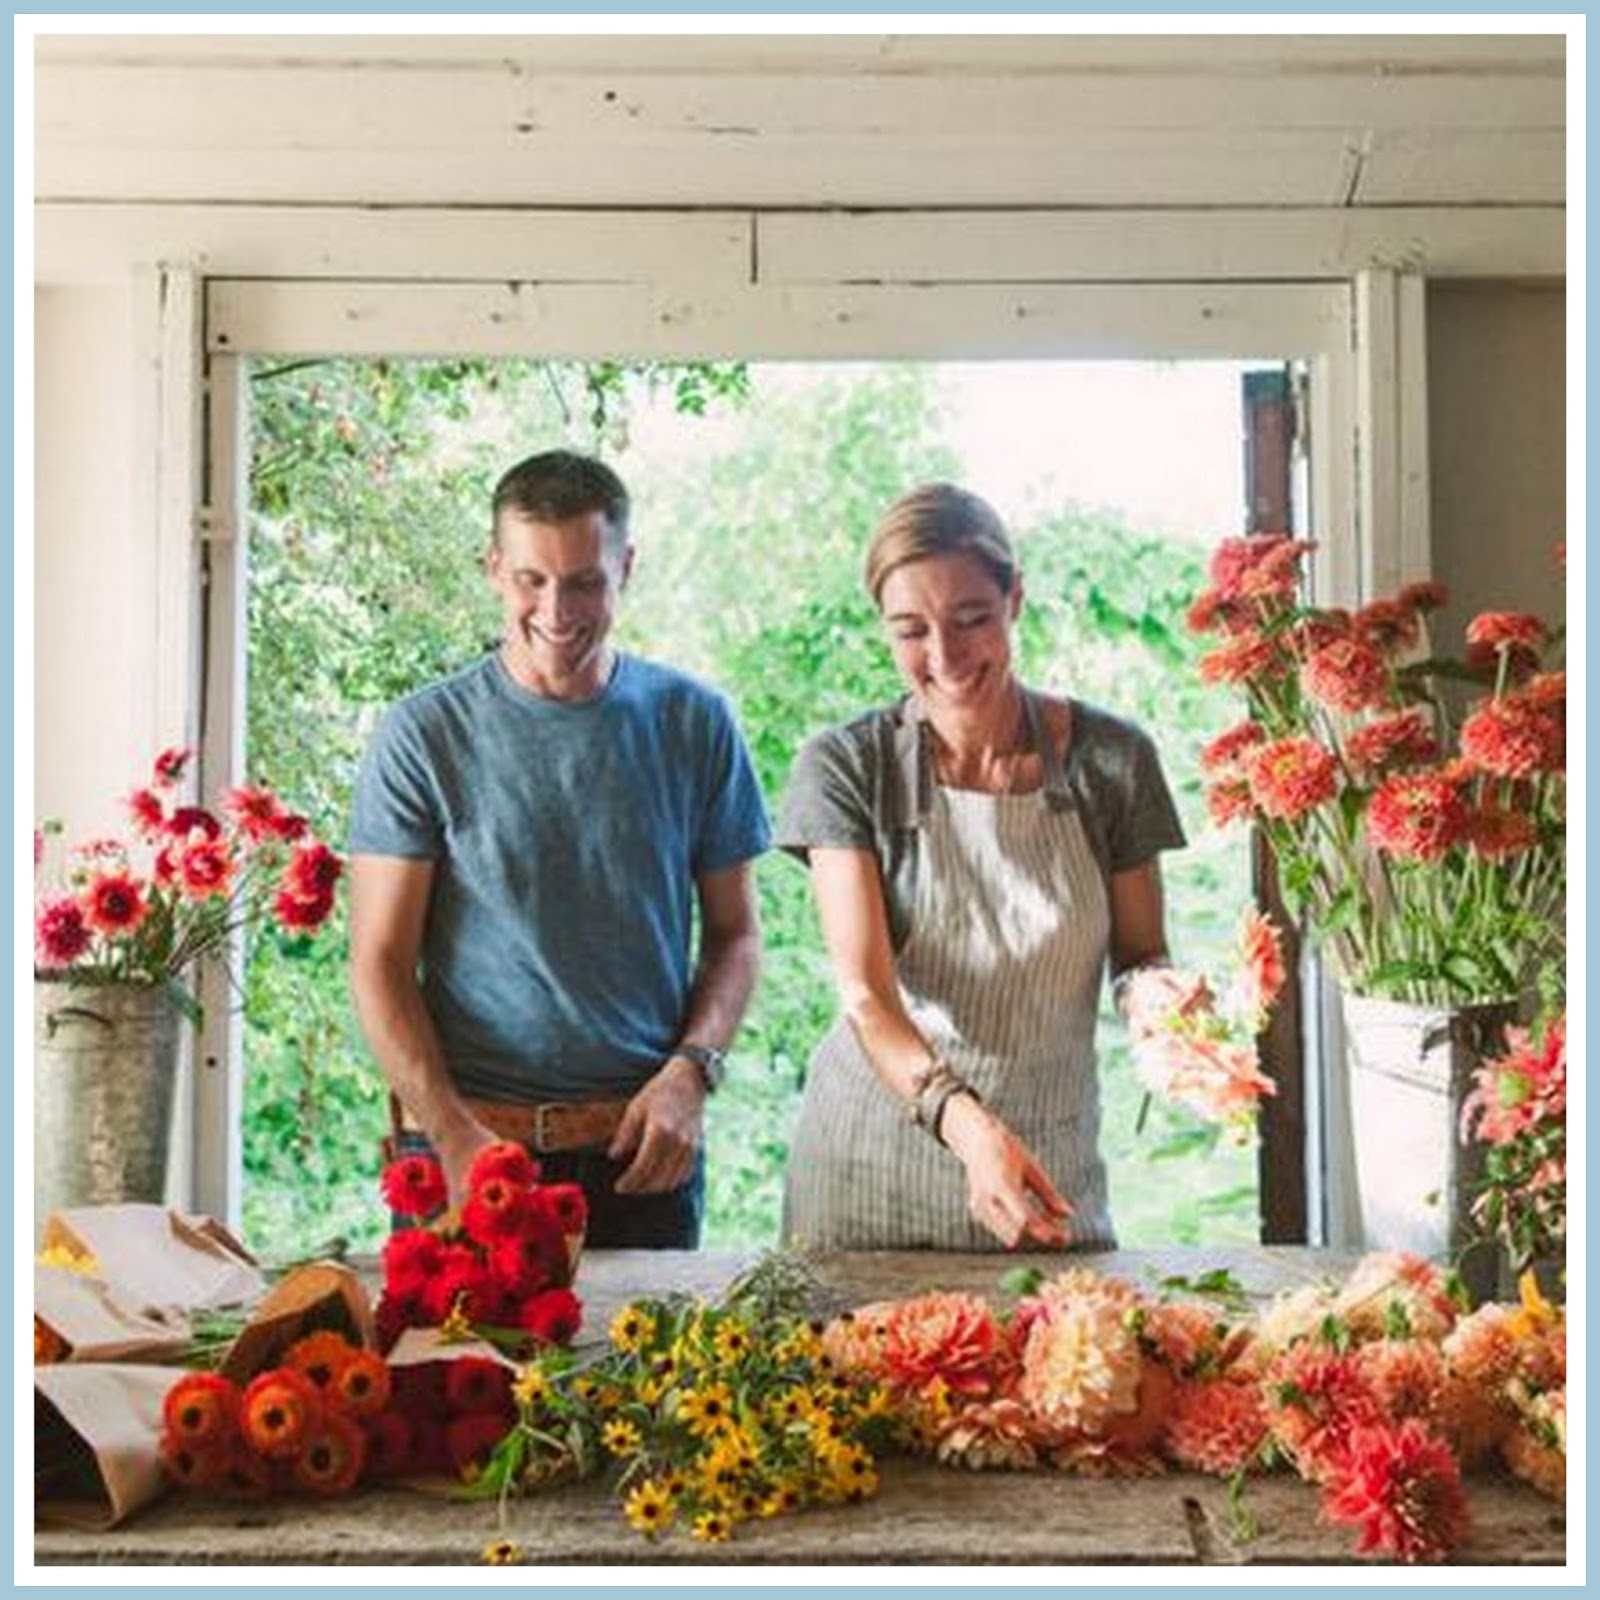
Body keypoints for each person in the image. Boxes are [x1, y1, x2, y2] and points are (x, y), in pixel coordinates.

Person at [348, 448, 770, 1248]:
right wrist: (450, 1134)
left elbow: (735, 937)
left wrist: (693, 1072)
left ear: (627, 568)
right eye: (530, 580)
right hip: (464, 1147)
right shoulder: (423, 736)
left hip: (642, 1153)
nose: (557, 608)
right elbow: (379, 961)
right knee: (448, 1375)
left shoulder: (695, 723)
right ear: (493, 569)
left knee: (643, 1378)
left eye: (585, 581)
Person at [777, 483, 1186, 1252]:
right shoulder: (846, 767)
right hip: (868, 1175)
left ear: (1015, 600)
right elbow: (868, 998)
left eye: (971, 620)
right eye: (911, 631)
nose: (944, 656)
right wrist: (968, 1128)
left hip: (1045, 1171)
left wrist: (1168, 1015)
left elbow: (1140, 956)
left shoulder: (1112, 761)